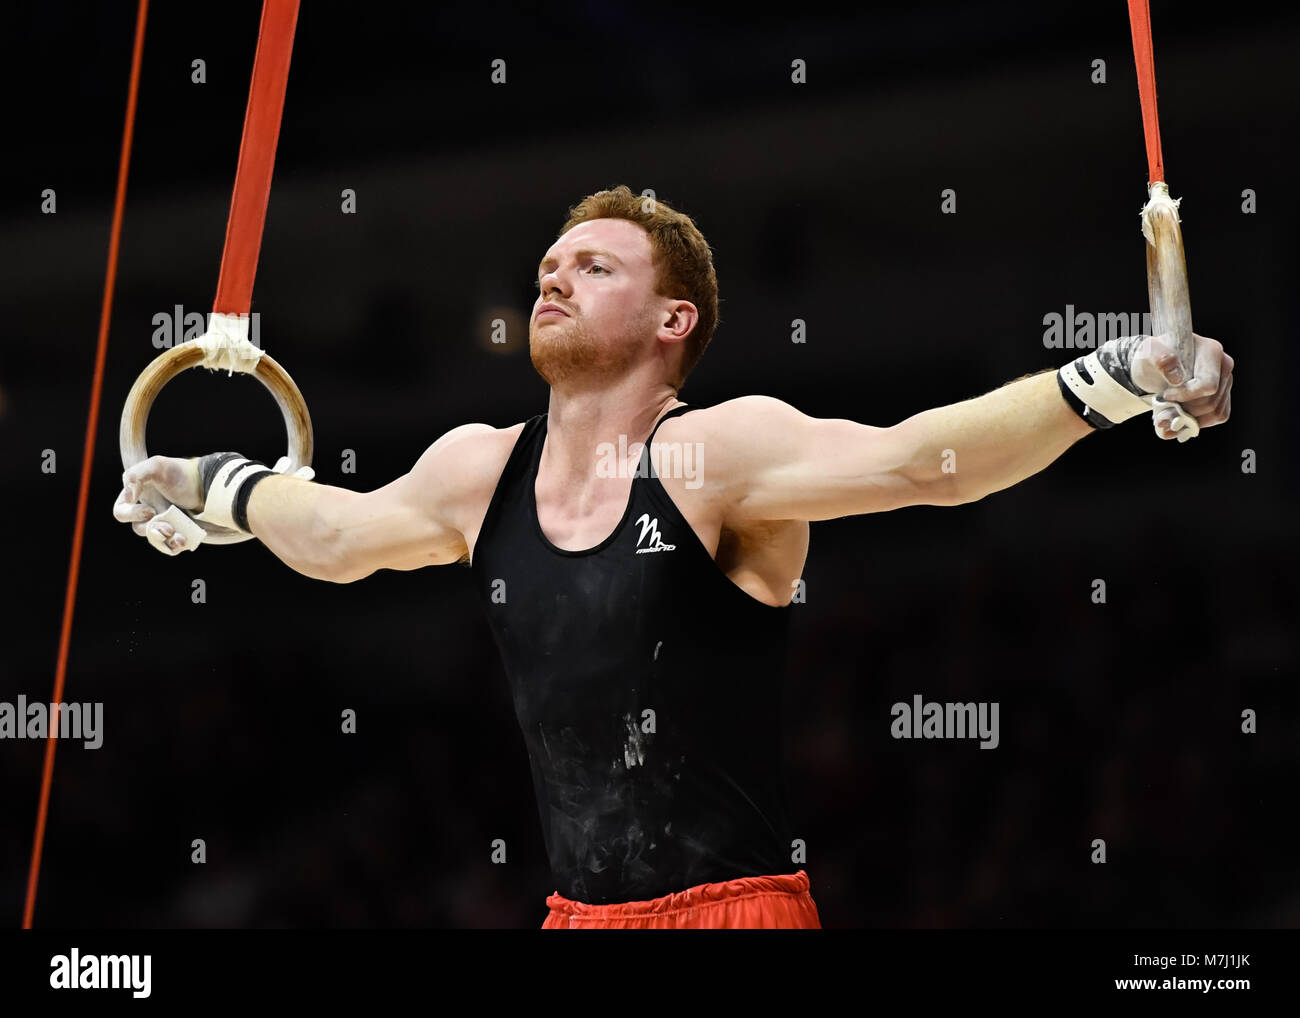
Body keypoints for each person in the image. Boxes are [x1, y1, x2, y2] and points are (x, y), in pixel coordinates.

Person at [112, 185, 1234, 929]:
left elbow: (922, 463)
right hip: (575, 916)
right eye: (551, 264)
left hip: (732, 913)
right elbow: (339, 540)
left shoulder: (715, 453)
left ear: (672, 321)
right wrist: (217, 486)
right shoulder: (476, 468)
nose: (552, 277)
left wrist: (1114, 378)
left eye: (593, 267)